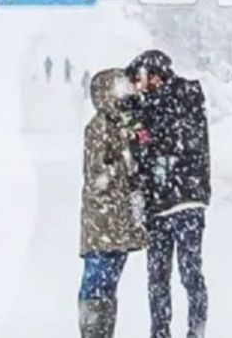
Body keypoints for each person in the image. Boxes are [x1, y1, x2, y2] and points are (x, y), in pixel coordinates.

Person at [125, 50, 210, 338]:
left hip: (183, 201)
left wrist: (139, 115)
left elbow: (167, 138)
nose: (138, 87)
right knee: (161, 277)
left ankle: (192, 332)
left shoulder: (182, 97)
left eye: (140, 79)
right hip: (162, 204)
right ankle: (163, 332)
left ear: (155, 76)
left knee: (184, 274)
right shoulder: (155, 105)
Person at [78, 69, 149, 338]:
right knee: (97, 281)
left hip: (118, 220)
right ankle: (93, 331)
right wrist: (125, 163)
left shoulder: (123, 125)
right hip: (102, 220)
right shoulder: (99, 127)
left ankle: (104, 330)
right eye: (119, 89)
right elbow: (97, 173)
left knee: (108, 283)